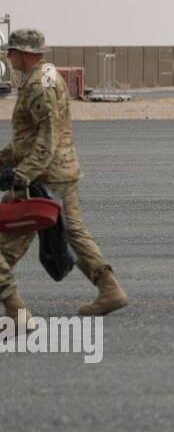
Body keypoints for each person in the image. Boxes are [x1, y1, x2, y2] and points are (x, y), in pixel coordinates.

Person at [0, 29, 128, 325]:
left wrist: (23, 175)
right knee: (72, 232)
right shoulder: (42, 77)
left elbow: (48, 138)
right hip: (57, 171)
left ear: (25, 53)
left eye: (12, 51)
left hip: (44, 176)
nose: (9, 56)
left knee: (10, 236)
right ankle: (109, 289)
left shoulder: (38, 85)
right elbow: (28, 139)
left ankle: (15, 308)